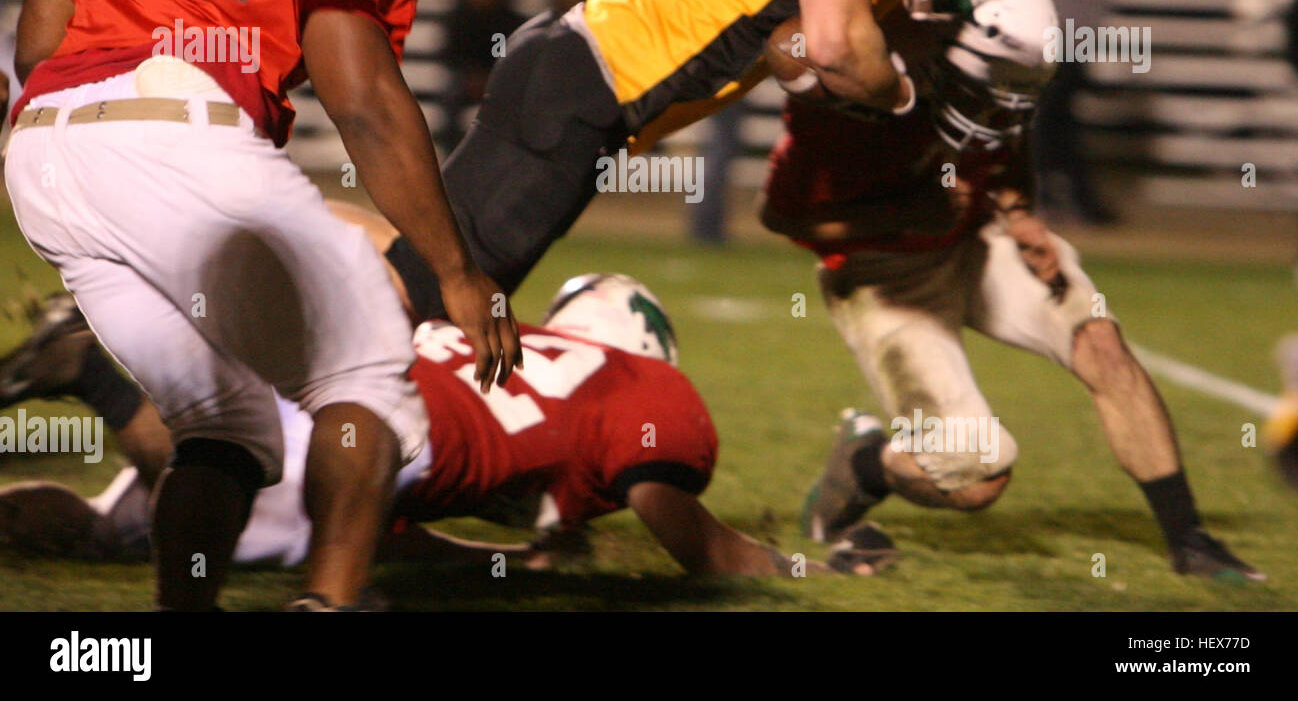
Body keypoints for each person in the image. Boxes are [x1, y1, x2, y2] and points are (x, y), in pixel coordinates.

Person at [2, 0, 519, 611]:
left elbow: (37, 46)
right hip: (177, 133)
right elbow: (361, 98)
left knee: (226, 421)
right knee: (364, 376)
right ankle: (331, 603)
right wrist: (459, 272)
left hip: (47, 155)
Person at [383, 0, 1005, 319]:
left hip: (571, 58)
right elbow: (832, 44)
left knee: (421, 271)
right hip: (597, 88)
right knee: (443, 304)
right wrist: (899, 96)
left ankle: (304, 298)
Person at [760, 0, 1262, 580]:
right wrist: (903, 210)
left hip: (977, 240)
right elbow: (781, 219)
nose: (1006, 93)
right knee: (975, 480)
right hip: (883, 274)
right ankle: (868, 462)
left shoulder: (983, 85)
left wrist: (1020, 213)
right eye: (996, 74)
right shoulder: (848, 96)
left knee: (1100, 341)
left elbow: (1006, 138)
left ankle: (1189, 541)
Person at [0, 259, 886, 580]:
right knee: (212, 494)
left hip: (331, 380)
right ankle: (102, 383)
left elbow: (403, 533)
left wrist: (504, 559)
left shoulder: (512, 342)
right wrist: (802, 567)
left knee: (107, 530)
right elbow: (694, 541)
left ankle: (112, 390)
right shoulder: (643, 396)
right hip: (369, 438)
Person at [1023, 0, 1115, 224]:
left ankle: (1068, 199)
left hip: (1073, 50)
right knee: (1051, 128)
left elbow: (1094, 4)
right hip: (1048, 48)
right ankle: (1057, 198)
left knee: (1058, 128)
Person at [440, 0, 526, 151]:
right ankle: (450, 157)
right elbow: (451, 54)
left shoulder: (508, 20)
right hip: (465, 82)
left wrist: (491, 79)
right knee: (450, 103)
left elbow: (510, 56)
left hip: (499, 82)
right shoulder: (460, 19)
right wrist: (471, 76)